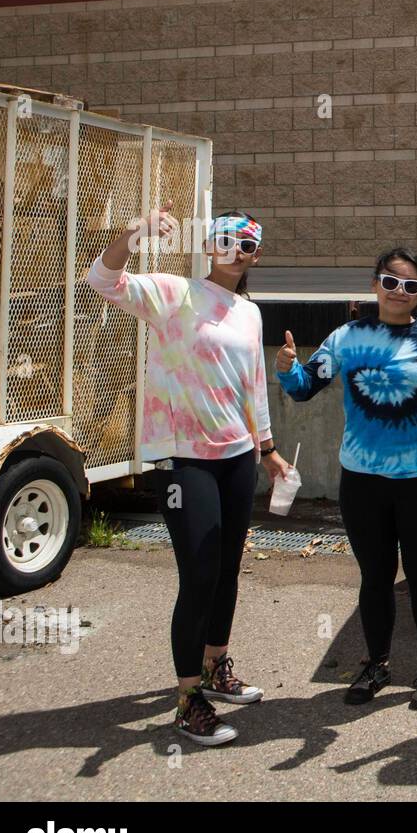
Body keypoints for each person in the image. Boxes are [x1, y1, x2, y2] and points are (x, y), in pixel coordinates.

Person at [88, 205, 291, 747]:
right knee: (199, 575)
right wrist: (131, 235)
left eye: (246, 245)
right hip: (184, 457)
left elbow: (253, 388)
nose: (235, 251)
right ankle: (186, 700)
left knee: (227, 571)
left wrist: (267, 450)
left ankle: (215, 667)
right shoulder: (175, 294)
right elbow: (102, 279)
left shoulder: (249, 312)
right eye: (225, 240)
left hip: (237, 457)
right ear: (210, 245)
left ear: (256, 255)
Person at [276, 247, 417, 709]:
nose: (398, 292)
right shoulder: (346, 337)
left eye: (410, 286)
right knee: (375, 576)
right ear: (374, 284)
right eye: (390, 282)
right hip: (362, 480)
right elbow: (305, 388)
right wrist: (288, 368)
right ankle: (376, 664)